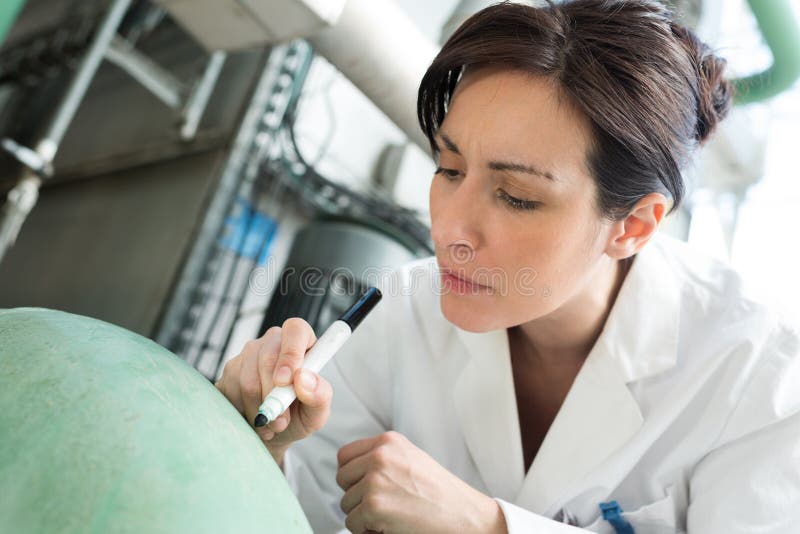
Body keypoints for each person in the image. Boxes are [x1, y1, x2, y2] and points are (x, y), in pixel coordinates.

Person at [214, 1, 800, 532]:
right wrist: (264, 453)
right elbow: (310, 519)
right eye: (448, 169)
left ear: (633, 226)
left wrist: (487, 525)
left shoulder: (760, 371)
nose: (448, 232)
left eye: (517, 196)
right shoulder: (398, 312)